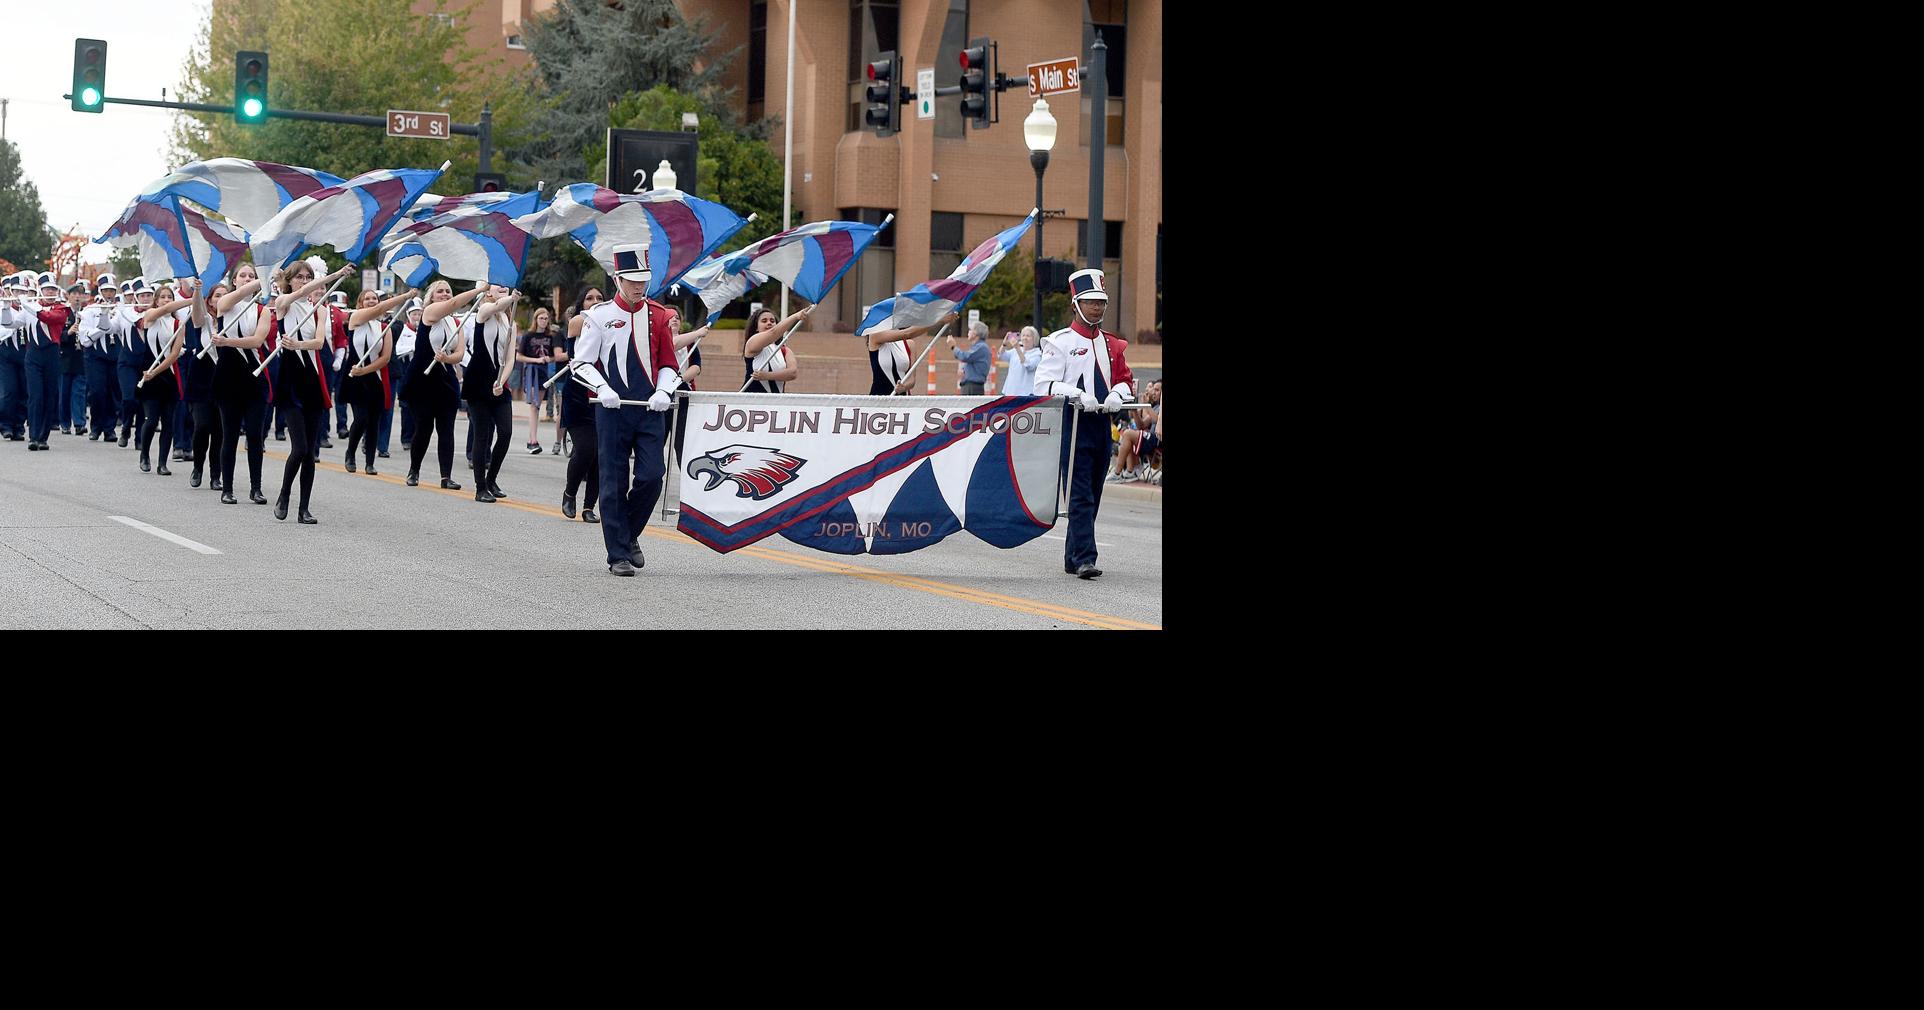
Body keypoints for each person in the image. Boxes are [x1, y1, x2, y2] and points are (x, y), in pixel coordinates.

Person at [570, 241, 680, 576]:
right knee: (613, 481)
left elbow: (669, 364)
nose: (638, 285)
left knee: (651, 476)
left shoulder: (659, 316)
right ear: (617, 279)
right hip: (612, 409)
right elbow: (580, 362)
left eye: (642, 279)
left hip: (649, 409)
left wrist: (664, 389)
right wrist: (602, 387)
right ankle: (618, 553)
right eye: (631, 279)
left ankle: (628, 534)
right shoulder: (599, 316)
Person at [1033, 268, 1135, 579]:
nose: (1098, 308)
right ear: (1076, 303)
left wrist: (1119, 392)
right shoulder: (1059, 342)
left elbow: (1126, 380)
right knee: (1080, 494)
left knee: (1094, 490)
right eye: (1091, 302)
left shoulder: (1111, 344)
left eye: (1102, 302)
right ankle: (1084, 558)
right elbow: (1043, 385)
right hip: (1073, 423)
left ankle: (1072, 555)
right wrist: (1075, 393)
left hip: (1102, 425)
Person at [270, 258, 355, 523]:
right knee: (300, 447)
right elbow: (298, 296)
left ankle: (303, 507)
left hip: (311, 379)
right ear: (290, 280)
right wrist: (336, 274)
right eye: (300, 278)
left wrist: (298, 344)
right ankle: (284, 494)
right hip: (290, 379)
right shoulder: (283, 303)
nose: (306, 283)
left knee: (311, 451)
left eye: (309, 278)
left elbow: (319, 343)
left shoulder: (317, 310)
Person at [403, 279, 482, 490]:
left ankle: (446, 476)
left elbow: (460, 353)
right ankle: (414, 469)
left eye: (448, 291)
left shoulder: (456, 323)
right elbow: (452, 304)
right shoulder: (430, 312)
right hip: (423, 380)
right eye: (440, 291)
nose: (445, 294)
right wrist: (478, 290)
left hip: (446, 380)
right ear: (432, 296)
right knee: (424, 429)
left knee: (446, 429)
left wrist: (446, 359)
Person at [211, 263, 273, 505]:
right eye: (243, 276)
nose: (247, 279)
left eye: (252, 276)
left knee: (255, 436)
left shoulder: (262, 311)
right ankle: (227, 488)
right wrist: (264, 279)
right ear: (234, 280)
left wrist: (228, 342)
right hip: (227, 378)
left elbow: (257, 341)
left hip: (253, 378)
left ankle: (255, 488)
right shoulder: (226, 303)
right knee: (230, 435)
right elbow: (223, 304)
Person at [341, 286, 414, 475]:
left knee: (374, 421)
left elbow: (385, 358)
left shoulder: (384, 328)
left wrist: (365, 370)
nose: (372, 301)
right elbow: (375, 312)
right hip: (354, 378)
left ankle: (370, 462)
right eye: (368, 299)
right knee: (361, 418)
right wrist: (405, 296)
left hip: (374, 377)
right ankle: (350, 453)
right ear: (360, 303)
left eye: (375, 299)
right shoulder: (355, 319)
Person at [0, 272, 74, 451]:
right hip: (32, 356)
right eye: (47, 289)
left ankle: (43, 437)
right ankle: (33, 436)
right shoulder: (30, 308)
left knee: (49, 395)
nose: (50, 292)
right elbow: (10, 325)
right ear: (41, 290)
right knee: (35, 396)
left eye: (52, 289)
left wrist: (25, 304)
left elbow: (48, 318)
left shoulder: (62, 308)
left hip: (51, 355)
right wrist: (6, 308)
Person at [133, 279, 196, 475]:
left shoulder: (179, 323)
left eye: (170, 297)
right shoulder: (150, 316)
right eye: (162, 297)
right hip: (147, 374)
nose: (166, 300)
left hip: (167, 375)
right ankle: (144, 455)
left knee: (168, 421)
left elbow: (175, 354)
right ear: (156, 300)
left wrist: (158, 370)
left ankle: (162, 463)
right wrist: (191, 300)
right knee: (151, 419)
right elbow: (161, 311)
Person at [462, 285, 518, 502]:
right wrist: (511, 298)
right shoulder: (483, 311)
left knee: (505, 432)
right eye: (498, 285)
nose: (503, 287)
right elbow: (496, 306)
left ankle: (492, 478)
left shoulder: (509, 321)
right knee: (482, 435)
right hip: (478, 380)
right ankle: (480, 487)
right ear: (487, 291)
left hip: (498, 382)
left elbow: (511, 358)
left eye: (506, 286)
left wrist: (501, 381)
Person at [182, 279, 225, 490]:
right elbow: (197, 316)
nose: (221, 300)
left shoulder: (236, 318)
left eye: (224, 296)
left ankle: (216, 474)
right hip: (201, 379)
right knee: (203, 426)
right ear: (210, 301)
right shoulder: (205, 318)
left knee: (220, 430)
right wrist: (198, 291)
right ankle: (198, 466)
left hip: (224, 378)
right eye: (217, 296)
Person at [862, 310, 957, 396]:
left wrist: (904, 387)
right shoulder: (875, 336)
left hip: (903, 401)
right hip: (879, 400)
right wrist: (938, 319)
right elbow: (907, 333)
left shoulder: (909, 344)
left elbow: (912, 380)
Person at [79, 274, 122, 442]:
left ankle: (109, 429)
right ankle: (96, 426)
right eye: (106, 290)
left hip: (115, 355)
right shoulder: (90, 310)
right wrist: (102, 327)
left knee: (113, 392)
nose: (109, 294)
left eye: (112, 290)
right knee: (97, 391)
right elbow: (85, 339)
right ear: (100, 291)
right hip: (95, 357)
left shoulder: (121, 309)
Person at [110, 277, 148, 448]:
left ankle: (139, 436)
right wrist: (104, 314)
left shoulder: (155, 312)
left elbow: (140, 322)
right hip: (127, 361)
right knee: (129, 398)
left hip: (147, 363)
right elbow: (108, 329)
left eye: (149, 295)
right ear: (135, 297)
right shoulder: (123, 313)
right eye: (143, 295)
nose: (146, 298)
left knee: (142, 401)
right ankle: (126, 427)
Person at [741, 303, 809, 393]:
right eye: (764, 321)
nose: (769, 323)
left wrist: (767, 376)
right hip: (751, 403)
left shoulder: (785, 350)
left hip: (776, 403)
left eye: (772, 321)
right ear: (756, 327)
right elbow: (773, 333)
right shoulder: (752, 342)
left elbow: (792, 373)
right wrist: (795, 316)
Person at [517, 306, 557, 454]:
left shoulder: (550, 337)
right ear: (536, 319)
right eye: (541, 318)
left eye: (546, 318)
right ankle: (533, 440)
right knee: (533, 405)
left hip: (543, 372)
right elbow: (519, 356)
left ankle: (531, 439)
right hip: (531, 371)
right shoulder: (528, 336)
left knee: (538, 405)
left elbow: (554, 355)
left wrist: (548, 359)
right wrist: (535, 360)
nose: (544, 321)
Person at [1110, 379, 1161, 482]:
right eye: (1153, 389)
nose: (1153, 392)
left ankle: (1117, 472)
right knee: (1127, 432)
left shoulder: (1159, 408)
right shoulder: (1155, 407)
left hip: (1157, 439)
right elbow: (1141, 425)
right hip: (1150, 438)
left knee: (1128, 434)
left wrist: (1146, 406)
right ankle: (1130, 470)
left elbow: (1157, 420)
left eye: (1157, 390)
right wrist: (1134, 410)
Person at [0, 274, 28, 442]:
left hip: (25, 353)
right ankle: (5, 425)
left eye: (23, 292)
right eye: (16, 291)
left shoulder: (29, 308)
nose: (19, 295)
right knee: (9, 391)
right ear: (10, 291)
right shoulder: (3, 307)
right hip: (7, 351)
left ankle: (19, 426)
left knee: (24, 391)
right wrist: (13, 325)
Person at [59, 284, 88, 435]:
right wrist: (68, 332)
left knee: (79, 392)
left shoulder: (86, 313)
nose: (77, 297)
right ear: (68, 296)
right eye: (74, 294)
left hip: (81, 358)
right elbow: (56, 334)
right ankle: (64, 422)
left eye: (80, 294)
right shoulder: (63, 313)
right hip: (65, 358)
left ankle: (79, 422)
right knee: (64, 392)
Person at [945, 320, 993, 396]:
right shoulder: (979, 347)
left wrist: (953, 347)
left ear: (976, 333)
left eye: (971, 330)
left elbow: (965, 356)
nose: (968, 332)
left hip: (973, 387)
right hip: (970, 386)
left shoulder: (981, 347)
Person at [999, 326, 1042, 395]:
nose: (1025, 338)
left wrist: (1017, 348)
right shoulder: (1015, 351)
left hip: (1025, 394)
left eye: (1028, 336)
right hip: (1010, 392)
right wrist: (1004, 344)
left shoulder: (1037, 354)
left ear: (1034, 339)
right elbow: (1001, 356)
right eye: (1023, 335)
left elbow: (1028, 365)